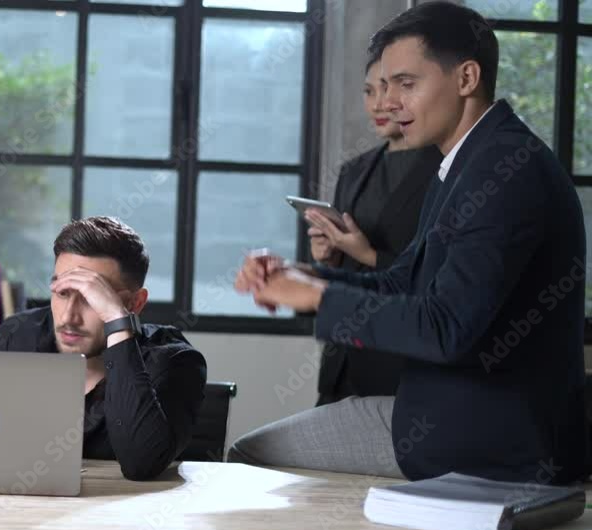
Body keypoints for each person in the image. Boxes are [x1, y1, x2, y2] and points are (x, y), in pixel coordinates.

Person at [229, 2, 588, 485]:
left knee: (248, 456)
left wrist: (318, 297)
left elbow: (446, 328)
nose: (389, 102)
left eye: (406, 83)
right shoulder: (463, 162)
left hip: (486, 436)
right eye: (382, 85)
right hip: (444, 414)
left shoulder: (505, 170)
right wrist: (309, 275)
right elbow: (407, 279)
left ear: (466, 78)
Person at [0, 216, 207, 481]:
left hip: (121, 514)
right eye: (63, 292)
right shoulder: (17, 335)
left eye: (91, 298)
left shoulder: (176, 361)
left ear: (135, 303)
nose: (68, 317)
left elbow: (141, 466)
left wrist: (117, 322)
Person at [309, 55, 442, 406]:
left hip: (398, 364)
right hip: (342, 360)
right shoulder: (354, 170)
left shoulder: (445, 169)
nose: (380, 104)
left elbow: (436, 278)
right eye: (369, 91)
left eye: (390, 89)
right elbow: (344, 269)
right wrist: (331, 255)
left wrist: (367, 254)